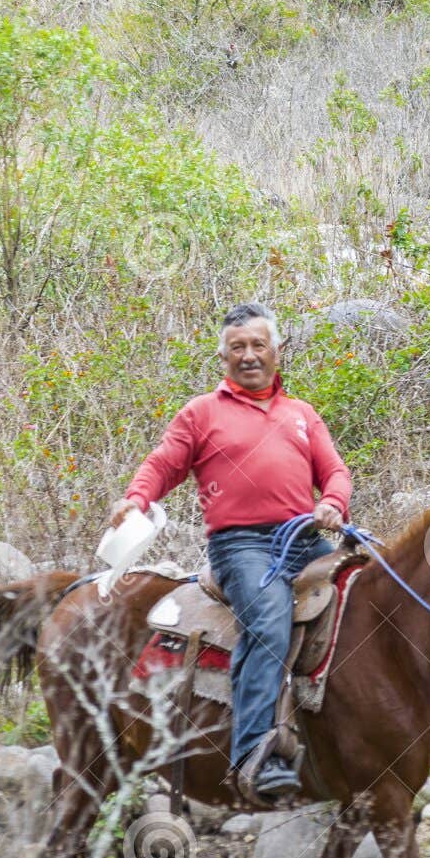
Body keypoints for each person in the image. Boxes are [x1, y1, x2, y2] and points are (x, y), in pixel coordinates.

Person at [108, 302, 354, 801]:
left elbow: (335, 472)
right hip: (241, 545)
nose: (249, 355)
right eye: (237, 347)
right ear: (223, 357)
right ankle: (254, 754)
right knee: (268, 620)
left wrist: (332, 501)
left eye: (258, 345)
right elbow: (163, 465)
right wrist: (136, 499)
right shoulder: (201, 413)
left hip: (305, 539)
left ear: (277, 351)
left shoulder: (302, 414)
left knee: (377, 591)